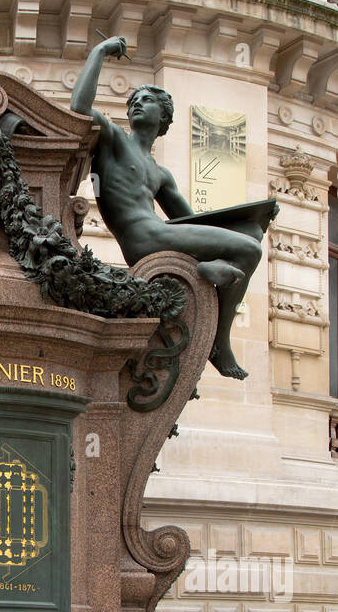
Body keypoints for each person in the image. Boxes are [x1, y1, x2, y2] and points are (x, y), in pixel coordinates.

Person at [70, 36, 263, 379]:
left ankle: (208, 270)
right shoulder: (113, 140)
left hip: (160, 232)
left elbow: (192, 221)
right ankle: (218, 338)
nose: (137, 104)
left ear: (164, 117)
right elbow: (80, 109)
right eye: (133, 101)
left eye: (147, 100)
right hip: (143, 238)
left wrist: (255, 216)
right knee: (248, 249)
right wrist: (98, 52)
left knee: (250, 233)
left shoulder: (161, 174)